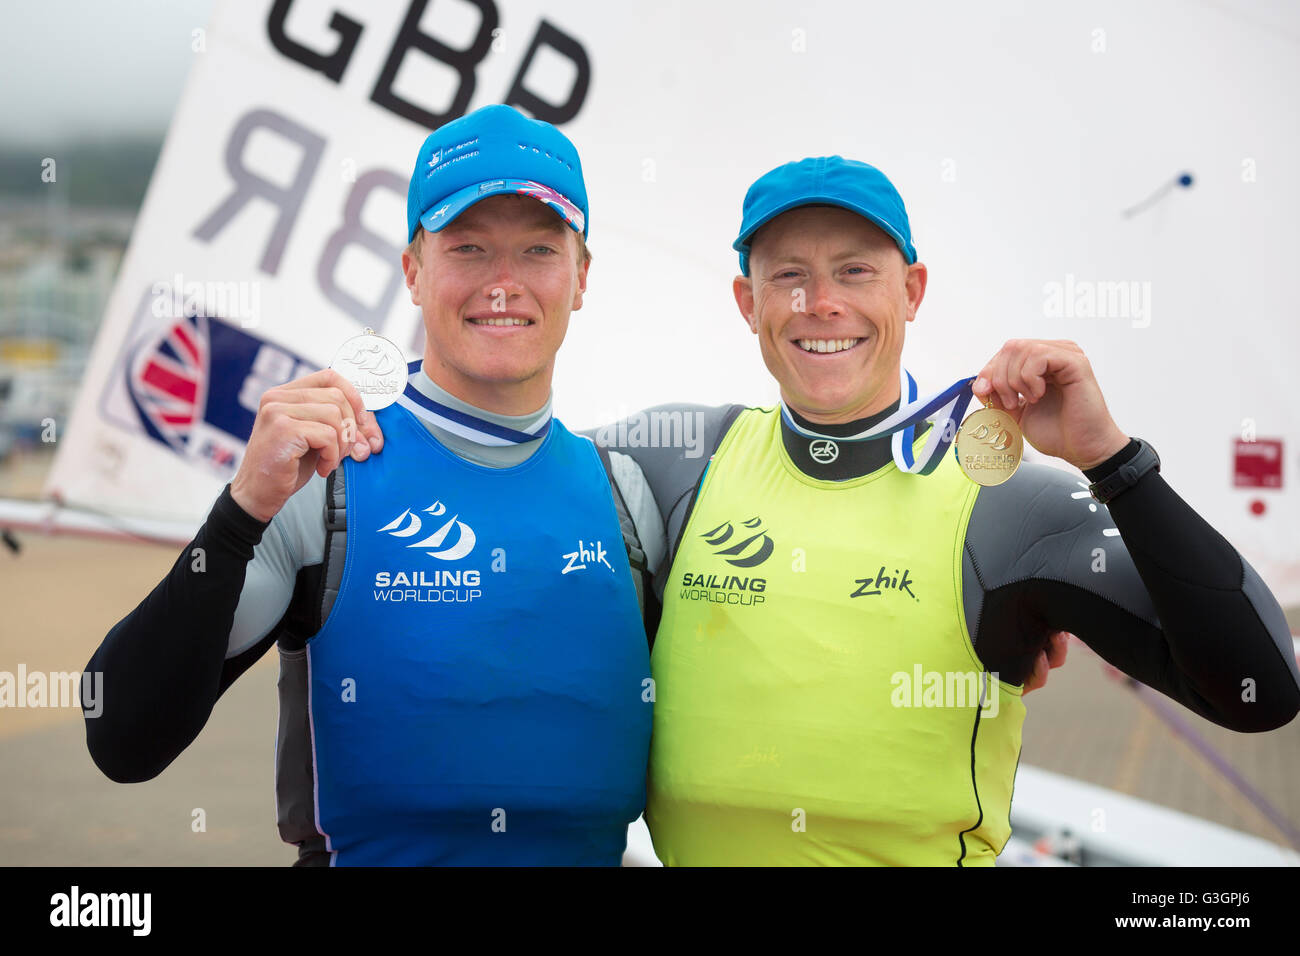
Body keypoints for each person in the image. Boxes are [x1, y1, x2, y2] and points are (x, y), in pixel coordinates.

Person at [587, 156, 1300, 866]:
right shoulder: (673, 463)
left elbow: (1259, 692)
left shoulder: (1011, 505)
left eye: (856, 270)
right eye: (789, 275)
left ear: (913, 290)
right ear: (749, 302)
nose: (821, 302)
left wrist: (1111, 459)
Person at [81, 104, 660, 866]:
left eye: (539, 251)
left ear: (580, 277)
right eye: (469, 248)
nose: (504, 283)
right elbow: (123, 736)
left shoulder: (629, 498)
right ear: (414, 272)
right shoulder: (327, 480)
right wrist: (241, 511)